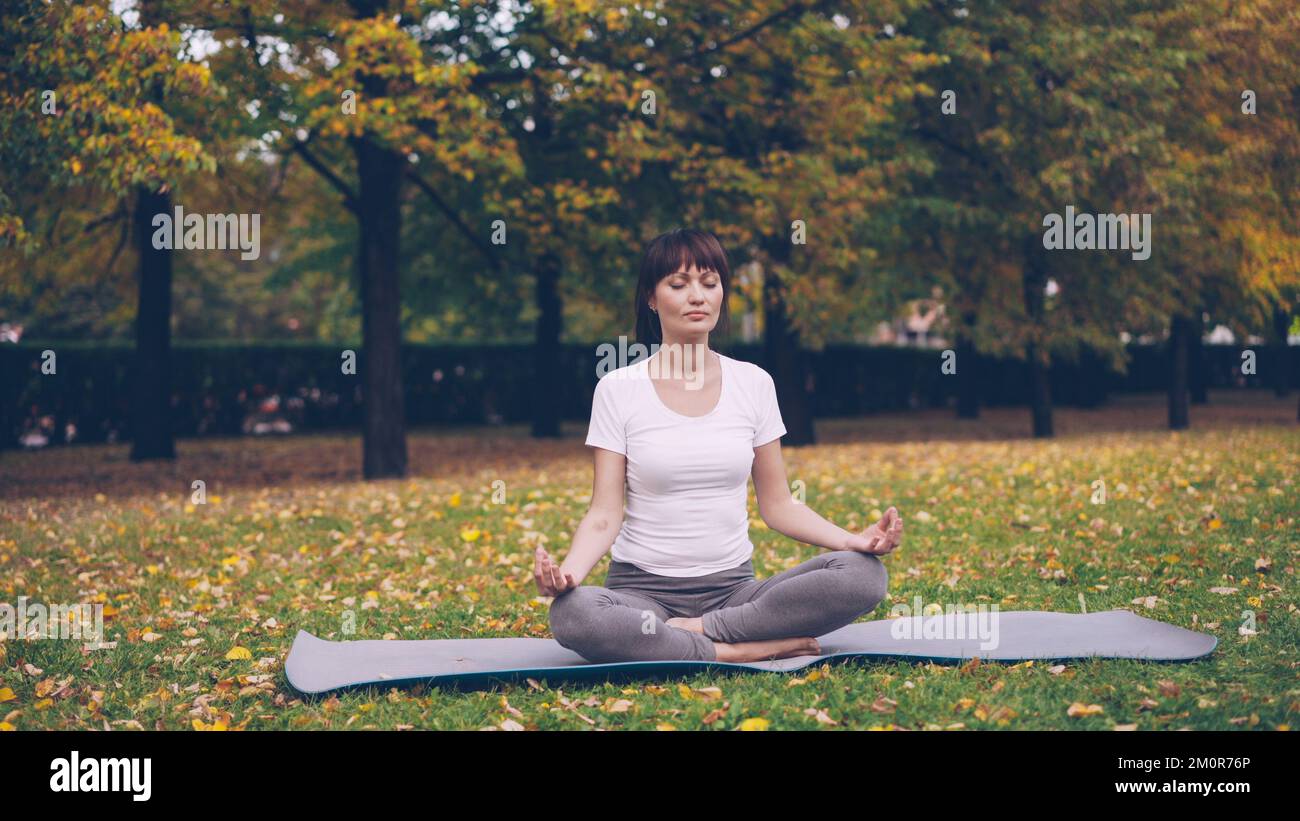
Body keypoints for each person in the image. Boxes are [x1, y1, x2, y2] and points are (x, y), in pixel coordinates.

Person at [538, 228, 903, 664]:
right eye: (678, 284)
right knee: (574, 614)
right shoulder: (619, 389)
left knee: (863, 577)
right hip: (642, 596)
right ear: (651, 299)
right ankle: (734, 652)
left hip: (735, 592)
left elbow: (780, 505)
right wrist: (570, 574)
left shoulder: (753, 383)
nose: (697, 296)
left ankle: (701, 637)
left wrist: (853, 542)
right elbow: (603, 513)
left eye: (709, 284)